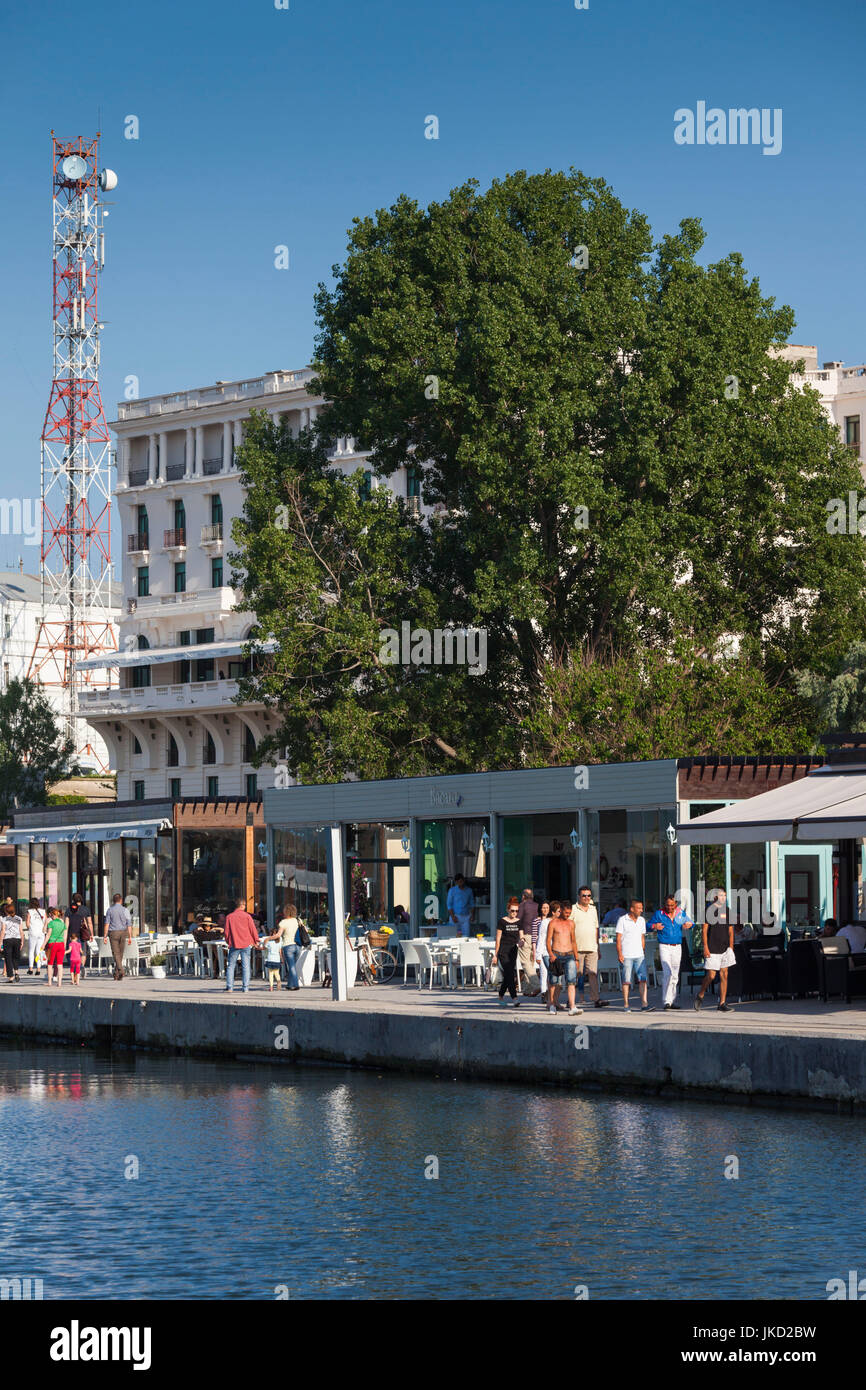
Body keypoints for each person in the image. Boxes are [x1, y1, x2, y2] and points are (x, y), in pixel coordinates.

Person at [646, 894, 693, 1010]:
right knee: (667, 973)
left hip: (677, 946)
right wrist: (654, 925)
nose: (670, 907)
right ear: (664, 904)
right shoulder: (659, 914)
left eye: (672, 905)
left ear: (675, 904)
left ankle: (672, 1000)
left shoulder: (680, 913)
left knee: (675, 975)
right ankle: (666, 1001)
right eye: (668, 905)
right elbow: (647, 926)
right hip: (664, 946)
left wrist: (689, 925)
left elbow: (691, 923)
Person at [694, 888, 735, 1012]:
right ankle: (701, 994)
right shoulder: (708, 911)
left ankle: (722, 1003)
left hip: (725, 948)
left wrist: (731, 947)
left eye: (725, 895)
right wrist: (705, 947)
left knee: (724, 974)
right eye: (722, 895)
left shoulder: (728, 911)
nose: (724, 898)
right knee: (711, 976)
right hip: (712, 948)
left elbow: (731, 931)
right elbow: (704, 930)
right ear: (715, 897)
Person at [571, 885, 609, 1009]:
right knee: (576, 974)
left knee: (593, 973)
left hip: (592, 947)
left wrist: (598, 947)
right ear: (579, 897)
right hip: (577, 947)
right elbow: (569, 928)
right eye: (584, 895)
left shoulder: (593, 909)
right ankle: (572, 1000)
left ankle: (596, 998)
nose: (587, 898)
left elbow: (596, 928)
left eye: (589, 895)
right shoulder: (573, 909)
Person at [616, 900, 654, 1012]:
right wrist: (620, 954)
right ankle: (626, 1004)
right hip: (626, 955)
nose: (641, 910)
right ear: (632, 909)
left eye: (642, 908)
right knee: (626, 980)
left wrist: (643, 950)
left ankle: (644, 1004)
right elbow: (618, 939)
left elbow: (642, 937)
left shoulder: (642, 920)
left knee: (643, 979)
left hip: (639, 955)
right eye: (639, 908)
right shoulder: (622, 920)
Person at [546, 901, 582, 1016]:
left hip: (569, 955)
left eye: (569, 913)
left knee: (571, 981)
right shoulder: (553, 923)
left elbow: (573, 941)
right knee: (554, 982)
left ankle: (572, 1006)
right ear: (560, 910)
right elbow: (548, 941)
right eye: (566, 913)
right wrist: (551, 954)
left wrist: (576, 958)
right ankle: (552, 1004)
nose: (568, 915)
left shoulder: (571, 923)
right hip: (556, 954)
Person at [224, 897, 260, 993]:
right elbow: (253, 929)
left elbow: (226, 933)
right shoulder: (247, 916)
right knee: (246, 965)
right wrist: (256, 940)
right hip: (246, 943)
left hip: (234, 943)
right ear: (243, 905)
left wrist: (229, 941)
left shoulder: (229, 917)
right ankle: (245, 988)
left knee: (231, 965)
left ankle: (230, 987)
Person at [493, 897, 523, 1007]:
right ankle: (514, 998)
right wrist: (495, 955)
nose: (515, 913)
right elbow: (498, 939)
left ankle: (500, 995)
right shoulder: (502, 921)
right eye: (512, 910)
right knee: (510, 973)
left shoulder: (519, 922)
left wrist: (522, 941)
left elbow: (521, 936)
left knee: (508, 975)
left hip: (513, 951)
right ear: (508, 910)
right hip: (503, 951)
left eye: (517, 911)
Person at [103, 894, 132, 981]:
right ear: (121, 900)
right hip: (123, 933)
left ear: (113, 900)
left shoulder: (110, 910)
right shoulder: (125, 910)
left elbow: (107, 924)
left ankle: (119, 971)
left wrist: (105, 935)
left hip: (113, 933)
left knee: (116, 953)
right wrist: (130, 936)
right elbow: (129, 924)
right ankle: (119, 972)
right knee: (120, 953)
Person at [516, 889, 540, 995]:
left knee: (525, 963)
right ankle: (528, 989)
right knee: (530, 963)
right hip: (536, 936)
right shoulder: (536, 905)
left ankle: (537, 985)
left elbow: (518, 921)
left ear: (523, 896)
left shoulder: (522, 905)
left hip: (525, 935)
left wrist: (519, 937)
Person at [275, 902, 302, 990]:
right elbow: (305, 930)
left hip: (288, 946)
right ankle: (290, 985)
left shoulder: (283, 922)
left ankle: (295, 984)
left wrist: (269, 938)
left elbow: (278, 935)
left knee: (291, 966)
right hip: (298, 946)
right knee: (292, 966)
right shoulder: (298, 920)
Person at [65, 895, 93, 980]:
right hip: (82, 934)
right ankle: (81, 967)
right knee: (82, 951)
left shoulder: (69, 909)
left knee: (70, 953)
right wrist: (91, 934)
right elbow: (89, 922)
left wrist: (64, 936)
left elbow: (66, 925)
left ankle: (76, 969)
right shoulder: (86, 909)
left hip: (71, 935)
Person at [532, 900, 552, 999]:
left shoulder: (552, 920)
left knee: (550, 973)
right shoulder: (536, 920)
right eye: (543, 908)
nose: (545, 910)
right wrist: (535, 953)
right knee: (543, 972)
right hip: (541, 949)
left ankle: (550, 993)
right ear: (540, 909)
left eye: (547, 908)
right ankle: (544, 993)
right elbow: (534, 937)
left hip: (551, 949)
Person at [43, 908, 68, 987]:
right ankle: (59, 983)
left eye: (51, 915)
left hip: (52, 945)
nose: (51, 916)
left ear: (54, 915)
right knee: (60, 964)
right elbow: (64, 936)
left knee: (50, 964)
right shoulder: (62, 924)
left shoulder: (51, 923)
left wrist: (44, 944)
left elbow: (48, 934)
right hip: (61, 944)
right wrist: (64, 945)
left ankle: (50, 982)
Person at [0, 905, 24, 982]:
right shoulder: (19, 918)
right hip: (17, 939)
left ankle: (11, 976)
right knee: (16, 957)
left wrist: (0, 942)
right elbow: (21, 931)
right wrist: (22, 941)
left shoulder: (4, 919)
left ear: (7, 911)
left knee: (8, 958)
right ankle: (16, 972)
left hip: (8, 939)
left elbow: (3, 931)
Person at [25, 898, 47, 976]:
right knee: (38, 951)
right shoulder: (43, 911)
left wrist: (30, 928)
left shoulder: (29, 912)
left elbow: (27, 923)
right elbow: (46, 921)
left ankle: (30, 968)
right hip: (41, 933)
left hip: (33, 932)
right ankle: (38, 969)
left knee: (31, 951)